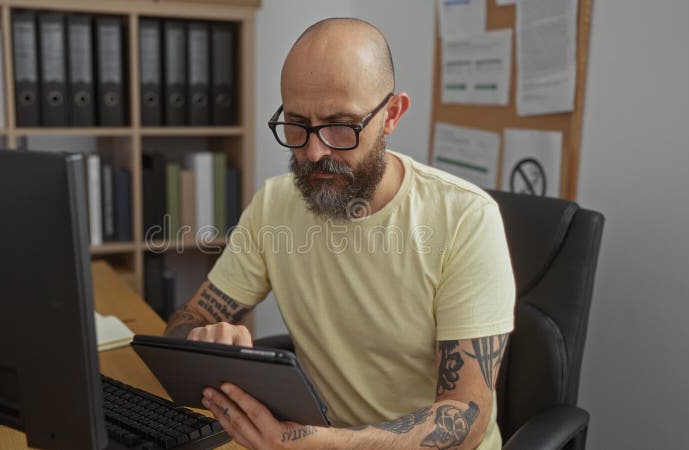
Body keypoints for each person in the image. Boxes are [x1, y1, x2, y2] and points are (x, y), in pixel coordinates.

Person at [163, 17, 515, 449]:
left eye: (340, 126)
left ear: (391, 115)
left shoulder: (466, 220)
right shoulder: (276, 204)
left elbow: (465, 419)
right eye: (296, 124)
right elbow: (185, 321)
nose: (314, 151)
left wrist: (315, 443)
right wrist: (203, 341)